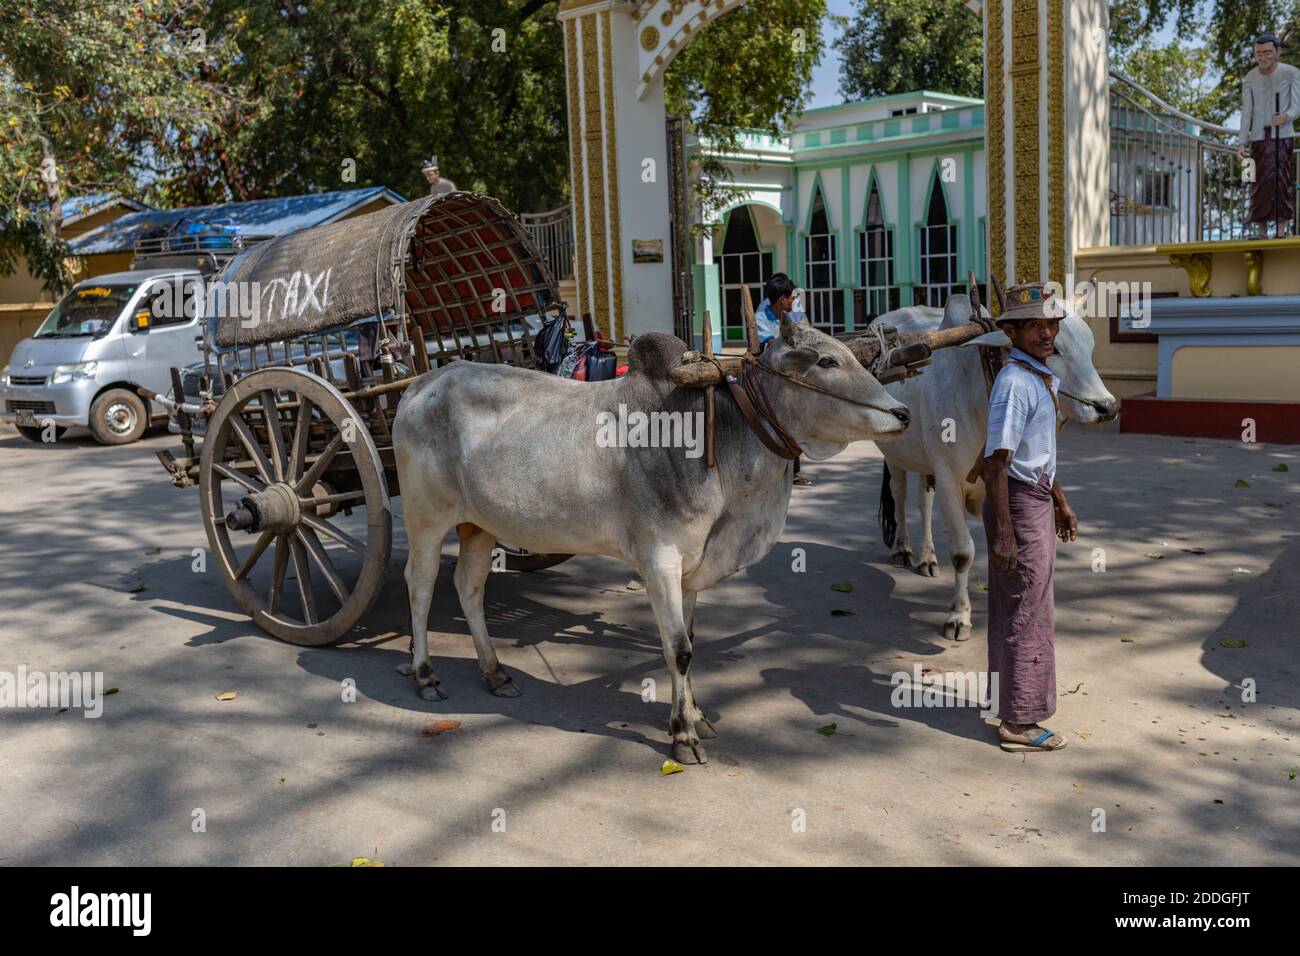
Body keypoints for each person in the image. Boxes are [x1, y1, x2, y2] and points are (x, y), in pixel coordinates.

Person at [976, 283, 1078, 753]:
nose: (1047, 332)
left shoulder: (1036, 375)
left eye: (1051, 323)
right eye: (1035, 324)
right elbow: (997, 462)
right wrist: (1003, 534)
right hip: (1015, 505)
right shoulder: (1015, 384)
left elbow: (1037, 452)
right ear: (1011, 330)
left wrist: (1058, 499)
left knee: (1020, 604)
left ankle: (1012, 701)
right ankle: (1018, 721)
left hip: (1033, 498)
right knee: (1026, 609)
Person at [1235, 33, 1300, 237]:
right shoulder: (1249, 78)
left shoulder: (1291, 73)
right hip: (1258, 138)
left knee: (1281, 179)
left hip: (1283, 134)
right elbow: (1247, 112)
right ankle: (1260, 229)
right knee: (1256, 180)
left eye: (1268, 52)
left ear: (1278, 52)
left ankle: (1281, 229)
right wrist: (1242, 142)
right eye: (1258, 53)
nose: (1263, 57)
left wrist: (1286, 116)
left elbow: (1297, 106)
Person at [755, 273, 811, 486]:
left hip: (793, 374)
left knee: (795, 422)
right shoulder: (761, 317)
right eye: (792, 298)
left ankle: (793, 471)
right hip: (770, 379)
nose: (795, 301)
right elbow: (770, 347)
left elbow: (806, 333)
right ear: (782, 299)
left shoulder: (794, 311)